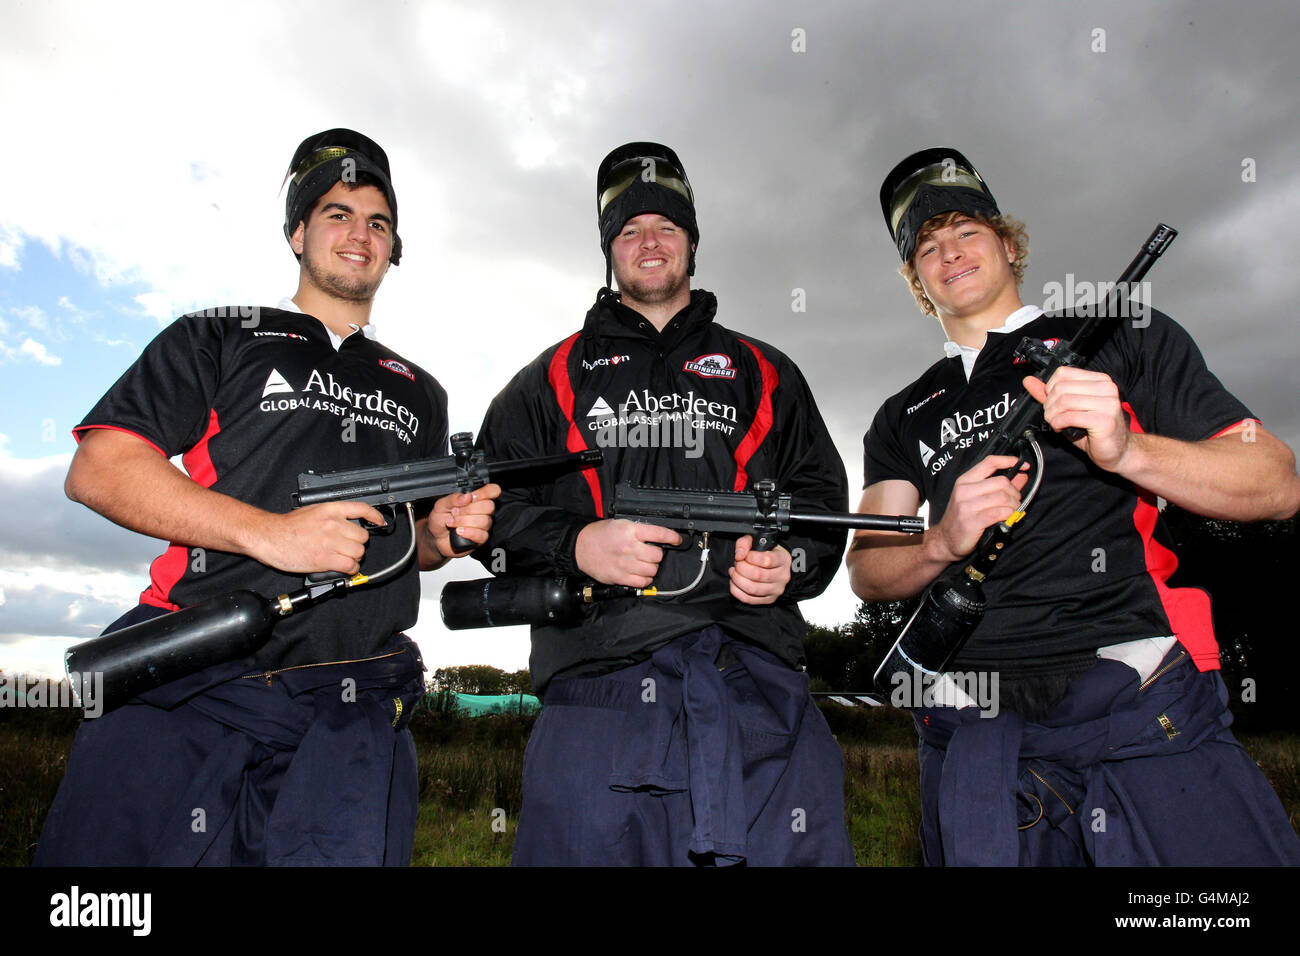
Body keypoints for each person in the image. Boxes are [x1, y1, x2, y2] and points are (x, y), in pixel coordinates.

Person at [35, 129, 497, 866]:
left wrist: (447, 533)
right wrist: (270, 534)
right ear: (297, 233)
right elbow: (101, 467)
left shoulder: (421, 390)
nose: (360, 234)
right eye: (337, 214)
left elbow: (418, 548)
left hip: (351, 708)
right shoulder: (218, 337)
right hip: (191, 682)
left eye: (378, 222)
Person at [847, 146, 1300, 865]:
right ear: (917, 281)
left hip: (1141, 706)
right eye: (926, 247)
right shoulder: (903, 413)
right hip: (975, 732)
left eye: (966, 230)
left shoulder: (1122, 333)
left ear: (1008, 243)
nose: (949, 253)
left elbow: (1275, 481)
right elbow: (868, 569)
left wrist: (1127, 451)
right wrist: (941, 542)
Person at [474, 142, 855, 866]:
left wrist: (791, 566)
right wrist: (579, 543)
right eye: (629, 230)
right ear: (609, 251)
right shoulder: (544, 379)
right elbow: (485, 514)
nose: (650, 242)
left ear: (691, 242)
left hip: (758, 682)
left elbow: (820, 502)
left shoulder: (767, 371)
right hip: (598, 692)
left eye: (666, 226)